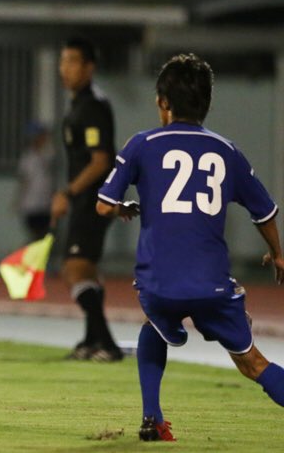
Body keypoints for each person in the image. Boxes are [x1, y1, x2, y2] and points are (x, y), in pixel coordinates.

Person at [97, 53, 284, 442]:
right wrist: (278, 253)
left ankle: (152, 417)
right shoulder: (227, 151)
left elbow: (102, 205)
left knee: (154, 323)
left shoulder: (141, 144)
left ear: (163, 102)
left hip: (158, 283)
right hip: (211, 285)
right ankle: (155, 418)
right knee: (252, 362)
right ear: (207, 103)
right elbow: (264, 211)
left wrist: (124, 208)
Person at [50, 37, 122, 361]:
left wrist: (68, 192)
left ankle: (105, 342)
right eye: (63, 61)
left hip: (96, 199)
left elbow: (101, 160)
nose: (64, 68)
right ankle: (93, 339)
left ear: (89, 67)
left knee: (74, 268)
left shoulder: (93, 105)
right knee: (85, 270)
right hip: (88, 199)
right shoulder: (80, 104)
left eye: (72, 61)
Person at [14, 122, 54, 241]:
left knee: (44, 235)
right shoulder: (27, 157)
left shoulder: (48, 154)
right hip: (31, 204)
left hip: (46, 203)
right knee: (35, 234)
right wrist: (18, 200)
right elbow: (24, 181)